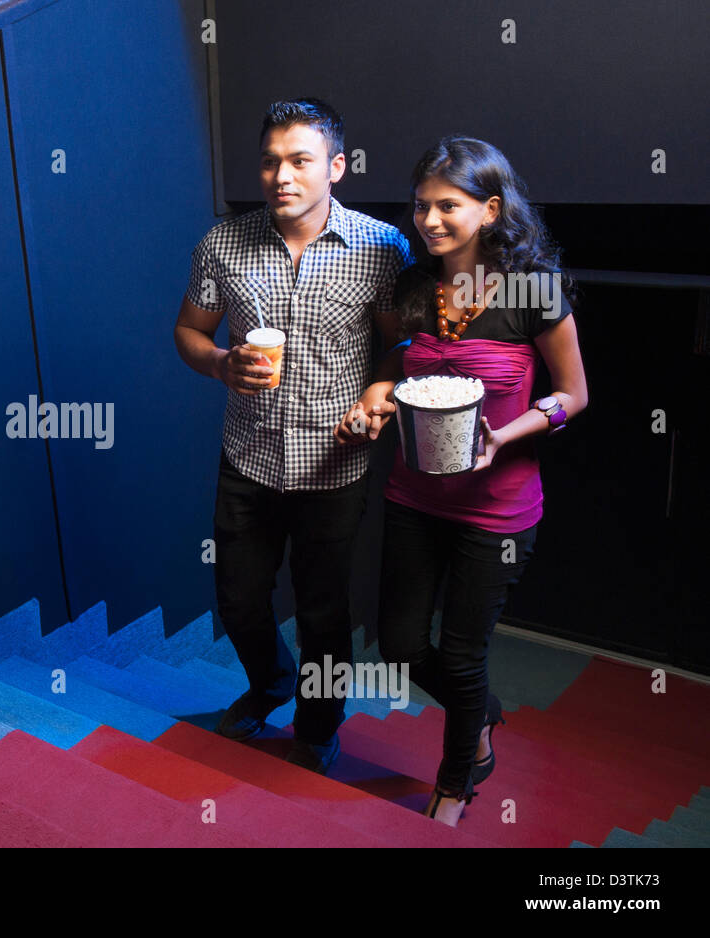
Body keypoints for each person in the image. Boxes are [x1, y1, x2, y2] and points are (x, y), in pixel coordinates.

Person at [336, 136, 589, 824]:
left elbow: (574, 394)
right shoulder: (416, 286)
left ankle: (456, 782)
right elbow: (396, 360)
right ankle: (482, 714)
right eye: (421, 205)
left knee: (461, 651)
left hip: (498, 510)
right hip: (414, 497)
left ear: (490, 209)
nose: (429, 219)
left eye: (448, 205)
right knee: (399, 645)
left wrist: (504, 436)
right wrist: (378, 397)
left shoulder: (535, 290)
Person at [174, 98, 412, 772]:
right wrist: (220, 362)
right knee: (239, 600)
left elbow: (400, 347)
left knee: (323, 614)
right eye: (271, 161)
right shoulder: (223, 244)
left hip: (333, 470)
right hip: (247, 458)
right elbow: (188, 332)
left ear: (335, 166)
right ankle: (270, 682)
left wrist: (376, 392)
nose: (282, 175)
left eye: (300, 160)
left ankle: (317, 723)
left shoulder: (382, 248)